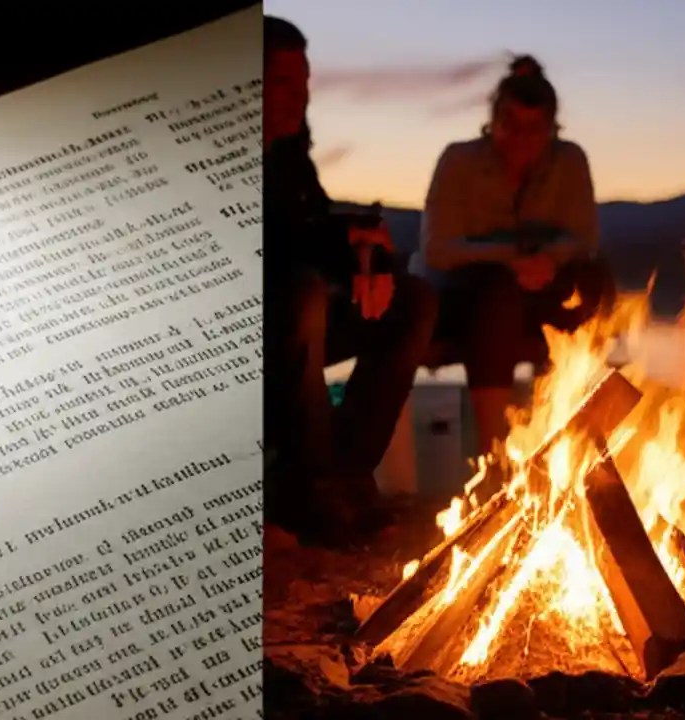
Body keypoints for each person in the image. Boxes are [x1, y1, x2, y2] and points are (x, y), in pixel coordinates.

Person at [263, 16, 438, 545]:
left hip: (301, 316)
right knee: (304, 293)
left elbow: (314, 226)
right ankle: (311, 489)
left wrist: (370, 256)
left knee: (412, 301)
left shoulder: (290, 156)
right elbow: (279, 246)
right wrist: (347, 241)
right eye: (284, 82)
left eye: (305, 82)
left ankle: (349, 475)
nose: (300, 97)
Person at [415, 56, 616, 457]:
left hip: (541, 286)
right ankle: (493, 456)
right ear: (493, 121)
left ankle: (575, 445)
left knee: (593, 283)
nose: (521, 139)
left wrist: (548, 262)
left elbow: (584, 238)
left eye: (534, 129)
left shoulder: (568, 161)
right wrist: (510, 259)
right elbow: (438, 248)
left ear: (551, 128)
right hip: (466, 294)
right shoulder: (460, 161)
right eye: (511, 125)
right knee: (498, 294)